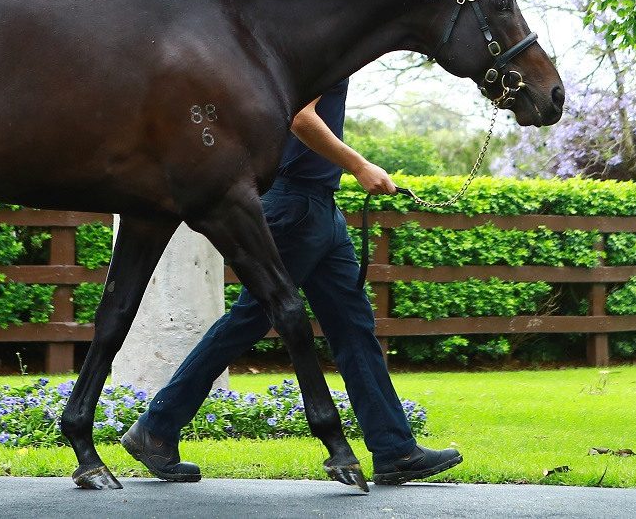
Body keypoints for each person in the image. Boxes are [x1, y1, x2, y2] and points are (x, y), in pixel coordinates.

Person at [121, 77, 462, 485]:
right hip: (295, 205)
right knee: (249, 319)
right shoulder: (327, 48)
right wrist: (359, 165)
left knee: (354, 328)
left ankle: (395, 451)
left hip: (320, 207)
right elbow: (302, 117)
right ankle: (156, 427)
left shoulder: (341, 50)